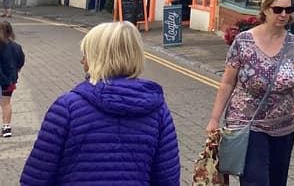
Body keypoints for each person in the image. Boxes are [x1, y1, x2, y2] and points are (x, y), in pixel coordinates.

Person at [20, 21, 179, 185]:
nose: (82, 61)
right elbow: (168, 178)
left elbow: (37, 176)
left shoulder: (67, 107)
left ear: (99, 58)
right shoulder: (157, 111)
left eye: (86, 55)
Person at [207, 0, 294, 186]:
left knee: (276, 181)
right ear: (265, 9)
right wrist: (214, 119)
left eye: (288, 10)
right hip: (247, 123)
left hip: (283, 125)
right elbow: (228, 83)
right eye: (278, 9)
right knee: (256, 181)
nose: (283, 15)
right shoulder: (243, 41)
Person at [0, 20, 25, 137]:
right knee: (6, 103)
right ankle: (7, 128)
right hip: (9, 80)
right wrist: (16, 69)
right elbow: (21, 60)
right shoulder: (17, 46)